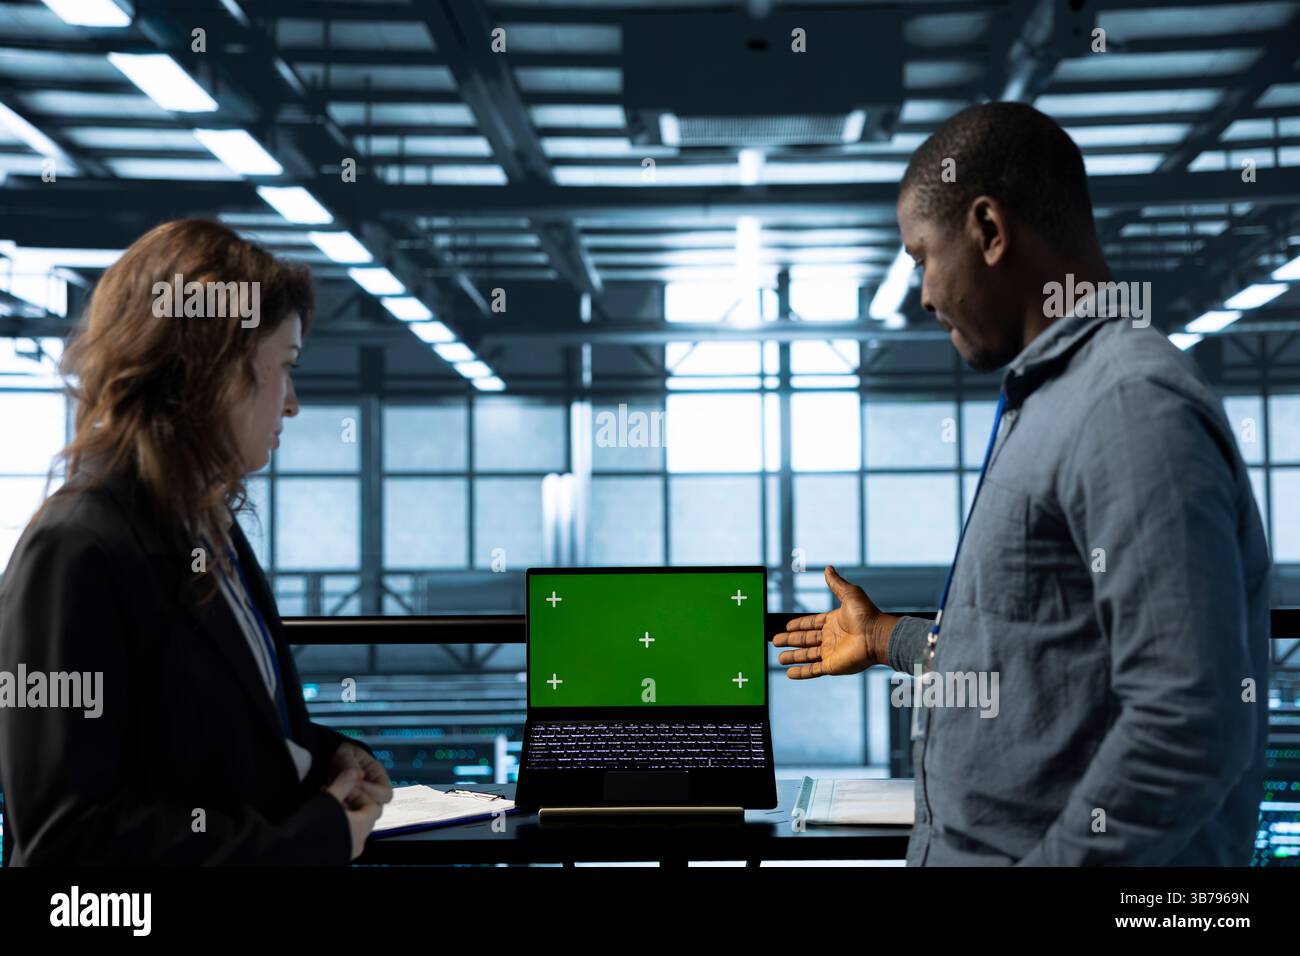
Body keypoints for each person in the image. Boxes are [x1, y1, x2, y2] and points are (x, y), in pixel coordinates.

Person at [774, 102, 1270, 865]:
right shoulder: (1050, 402)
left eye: (922, 258)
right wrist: (882, 637)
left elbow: (1187, 723)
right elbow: (1030, 664)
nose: (923, 295)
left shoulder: (1126, 406)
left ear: (989, 229)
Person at [0, 219, 393, 865]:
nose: (292, 404)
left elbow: (200, 731)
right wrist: (314, 840)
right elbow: (68, 837)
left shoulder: (206, 525)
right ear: (213, 370)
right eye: (285, 367)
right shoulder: (75, 550)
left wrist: (327, 755)